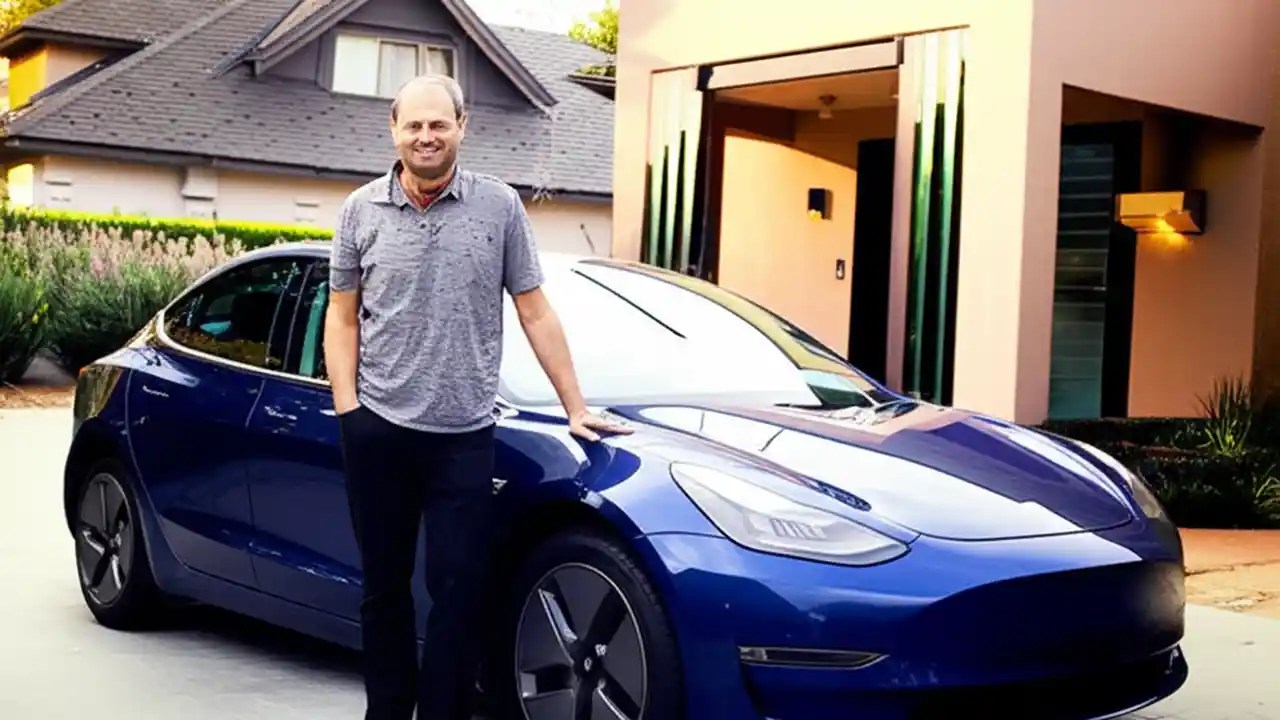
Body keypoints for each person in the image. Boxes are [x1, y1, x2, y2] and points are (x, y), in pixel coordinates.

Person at [322, 74, 631, 720]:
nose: (426, 136)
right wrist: (349, 411)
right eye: (414, 125)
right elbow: (343, 317)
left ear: (464, 125)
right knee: (383, 591)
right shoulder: (359, 211)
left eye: (439, 124)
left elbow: (536, 311)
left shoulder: (499, 208)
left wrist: (575, 405)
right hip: (378, 430)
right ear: (394, 130)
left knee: (457, 594)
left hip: (462, 438)